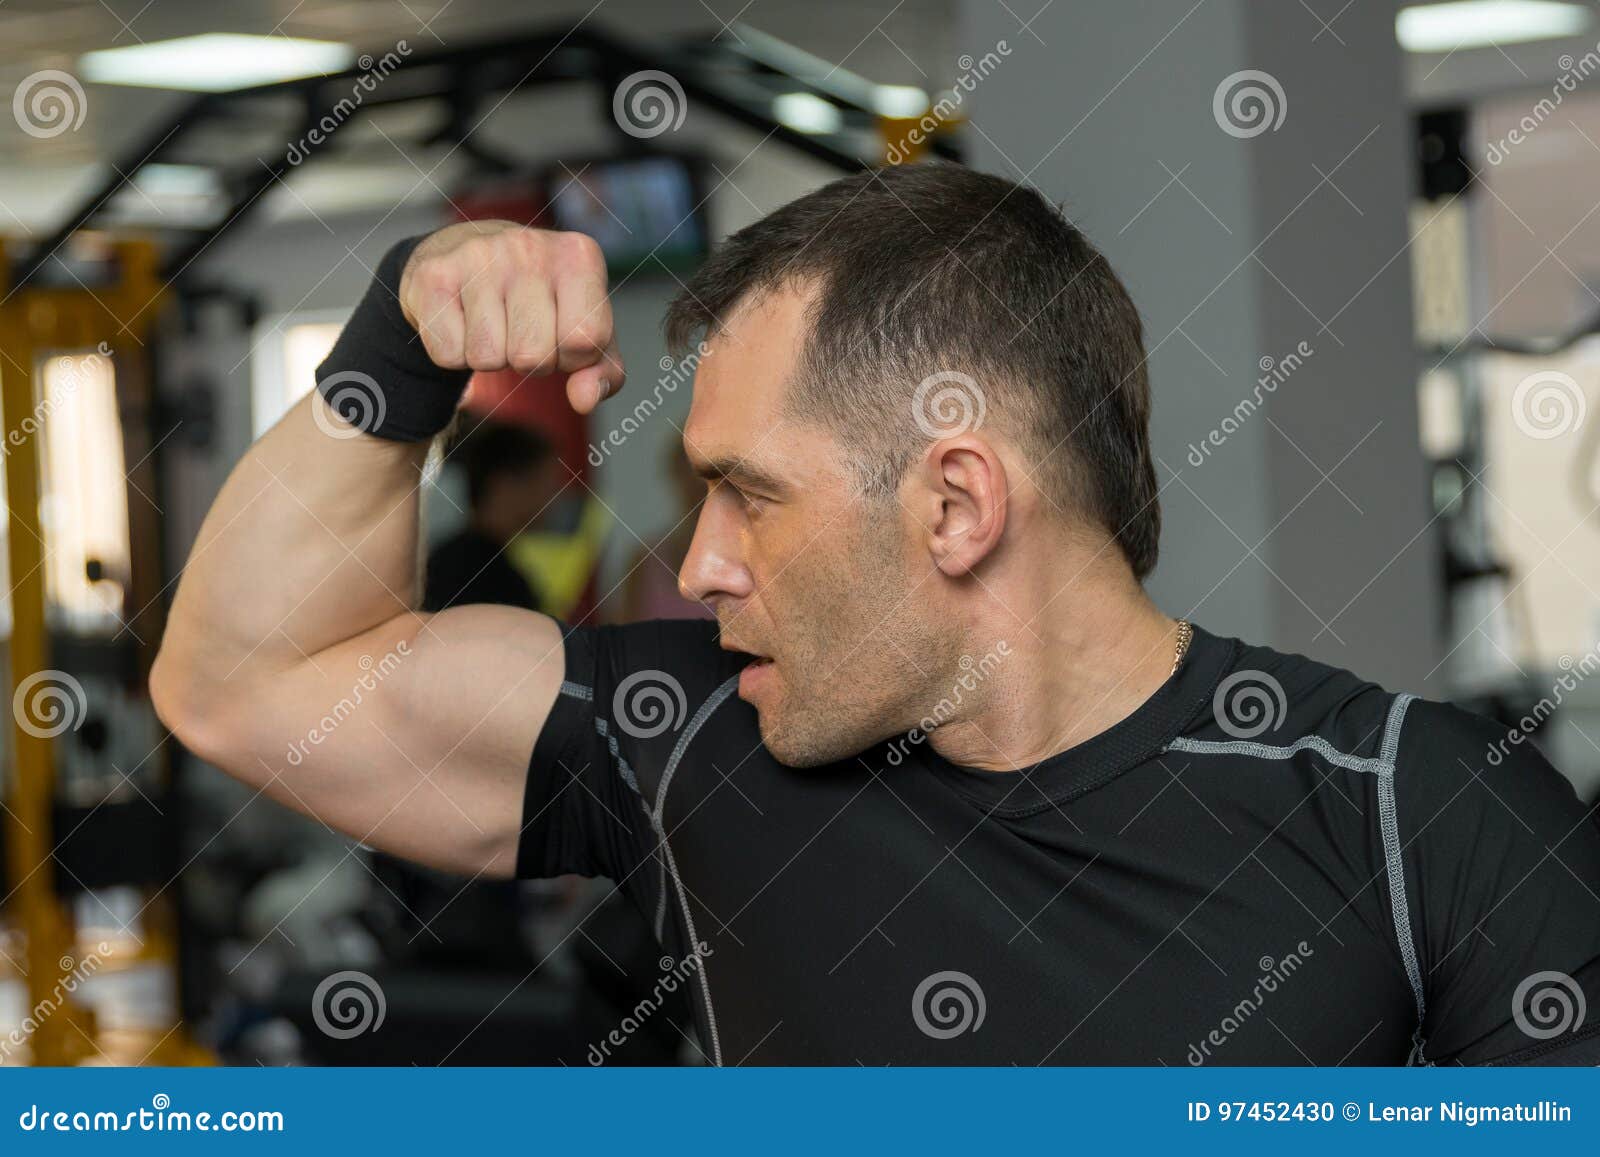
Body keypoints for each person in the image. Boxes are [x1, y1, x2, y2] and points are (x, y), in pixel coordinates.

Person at [152, 163, 1600, 1066]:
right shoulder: (694, 736)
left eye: (748, 494)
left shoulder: (1413, 819)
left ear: (957, 505)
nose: (703, 563)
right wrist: (399, 348)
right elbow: (252, 683)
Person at [423, 420, 558, 613]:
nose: (553, 497)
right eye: (545, 483)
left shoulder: (441, 560)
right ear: (504, 485)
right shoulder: (501, 583)